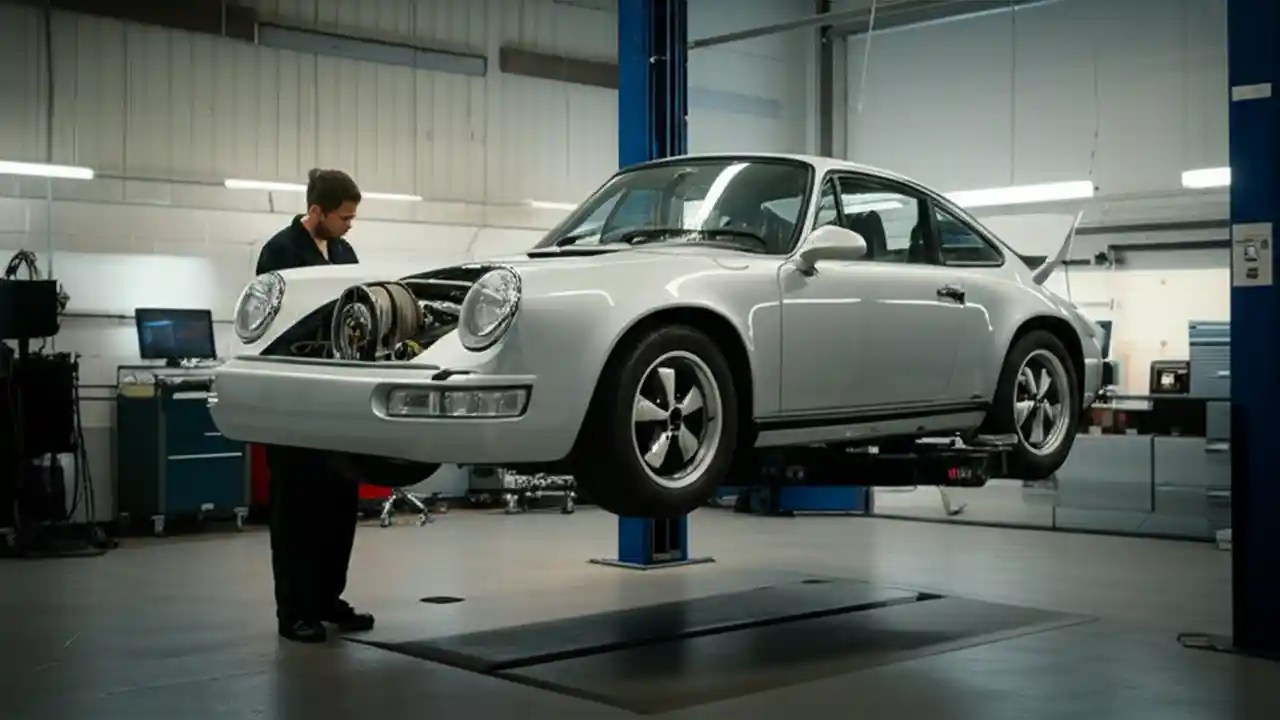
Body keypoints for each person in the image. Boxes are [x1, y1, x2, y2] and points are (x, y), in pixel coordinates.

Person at [256, 168, 372, 643]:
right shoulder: (279, 252)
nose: (350, 225)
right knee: (295, 509)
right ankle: (294, 611)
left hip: (335, 399)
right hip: (293, 400)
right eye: (343, 217)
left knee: (338, 506)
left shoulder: (344, 253)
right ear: (317, 211)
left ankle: (327, 598)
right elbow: (274, 323)